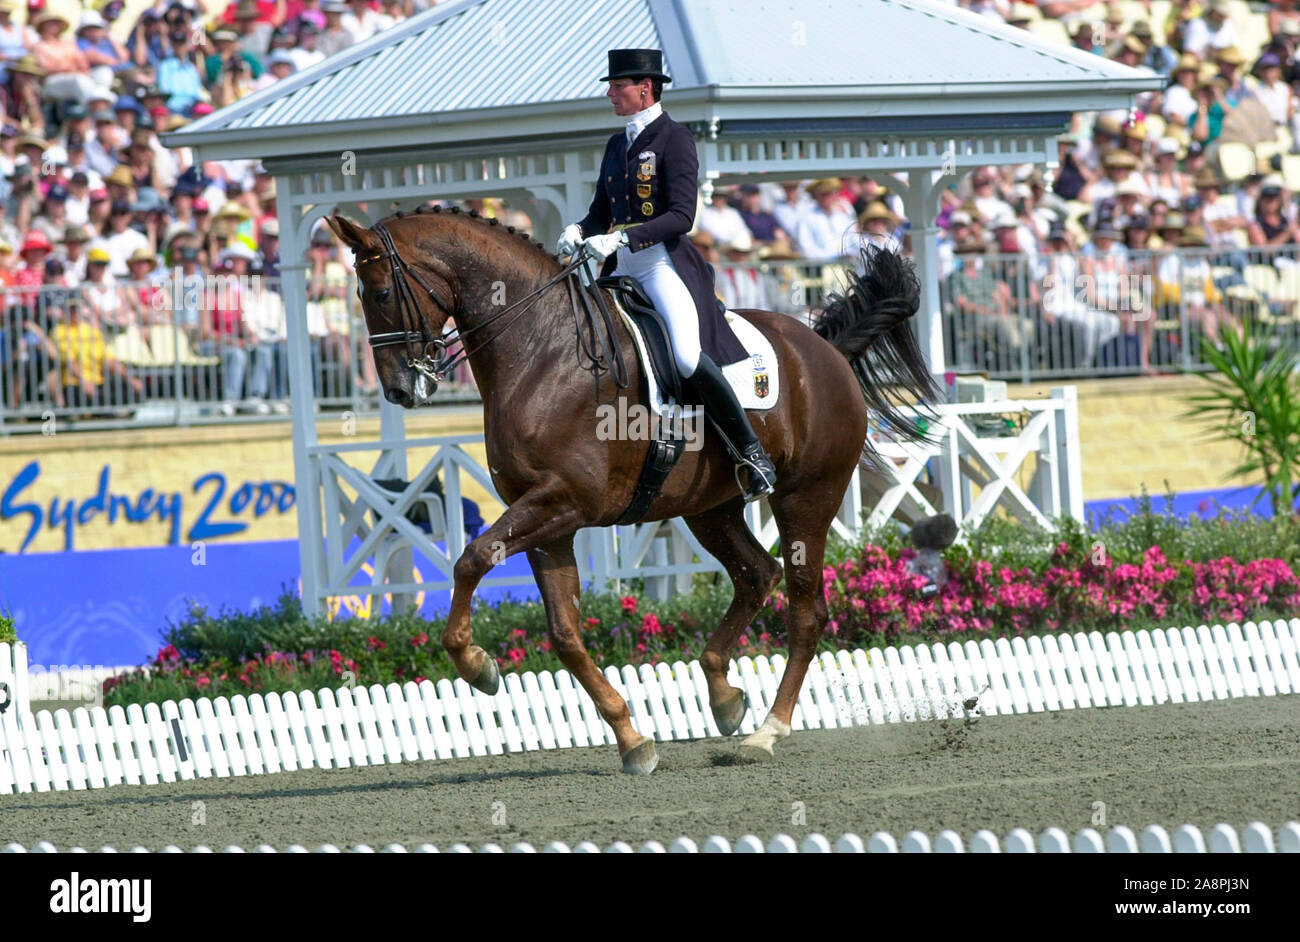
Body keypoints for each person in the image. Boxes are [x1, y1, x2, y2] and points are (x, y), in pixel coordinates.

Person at [555, 48, 775, 501]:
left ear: (645, 88)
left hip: (660, 265)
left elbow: (681, 216)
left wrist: (621, 239)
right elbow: (602, 211)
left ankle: (751, 453)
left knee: (686, 357)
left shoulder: (675, 138)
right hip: (621, 268)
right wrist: (579, 229)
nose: (611, 94)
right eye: (612, 87)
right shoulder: (618, 145)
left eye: (618, 87)